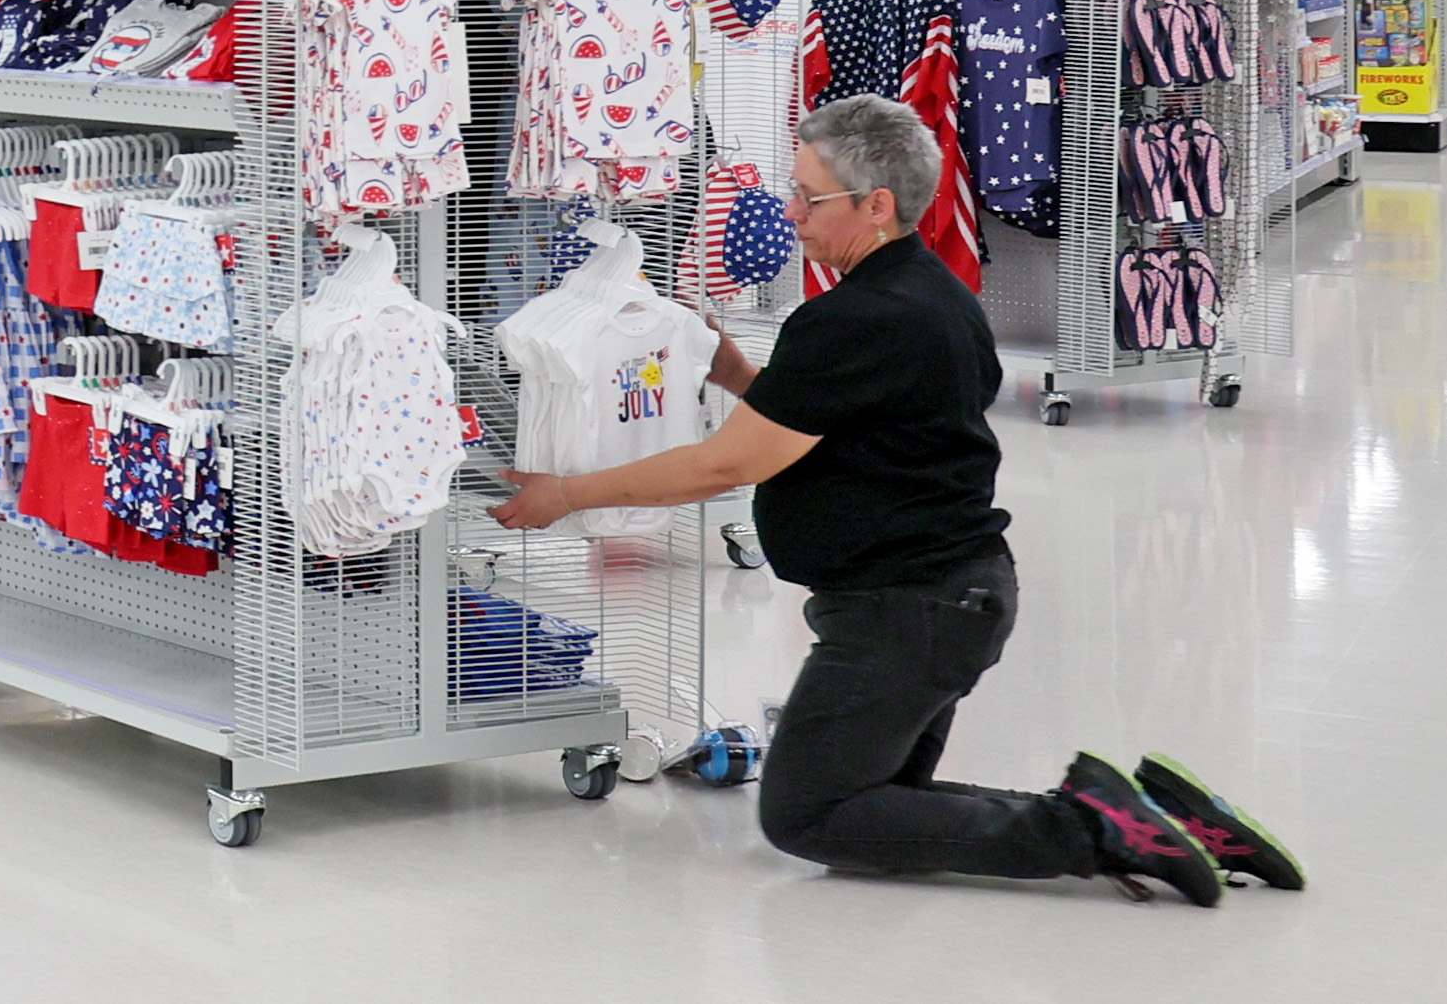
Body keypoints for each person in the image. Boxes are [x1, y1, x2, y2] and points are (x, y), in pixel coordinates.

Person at [490, 95, 1304, 907]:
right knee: (879, 807)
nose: (791, 213)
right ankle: (1163, 817)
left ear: (875, 205)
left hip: (908, 611)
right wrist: (730, 369)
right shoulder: (931, 295)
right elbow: (828, 412)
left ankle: (1097, 833)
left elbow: (721, 465)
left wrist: (568, 493)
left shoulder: (855, 319)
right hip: (949, 599)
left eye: (808, 198)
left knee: (809, 815)